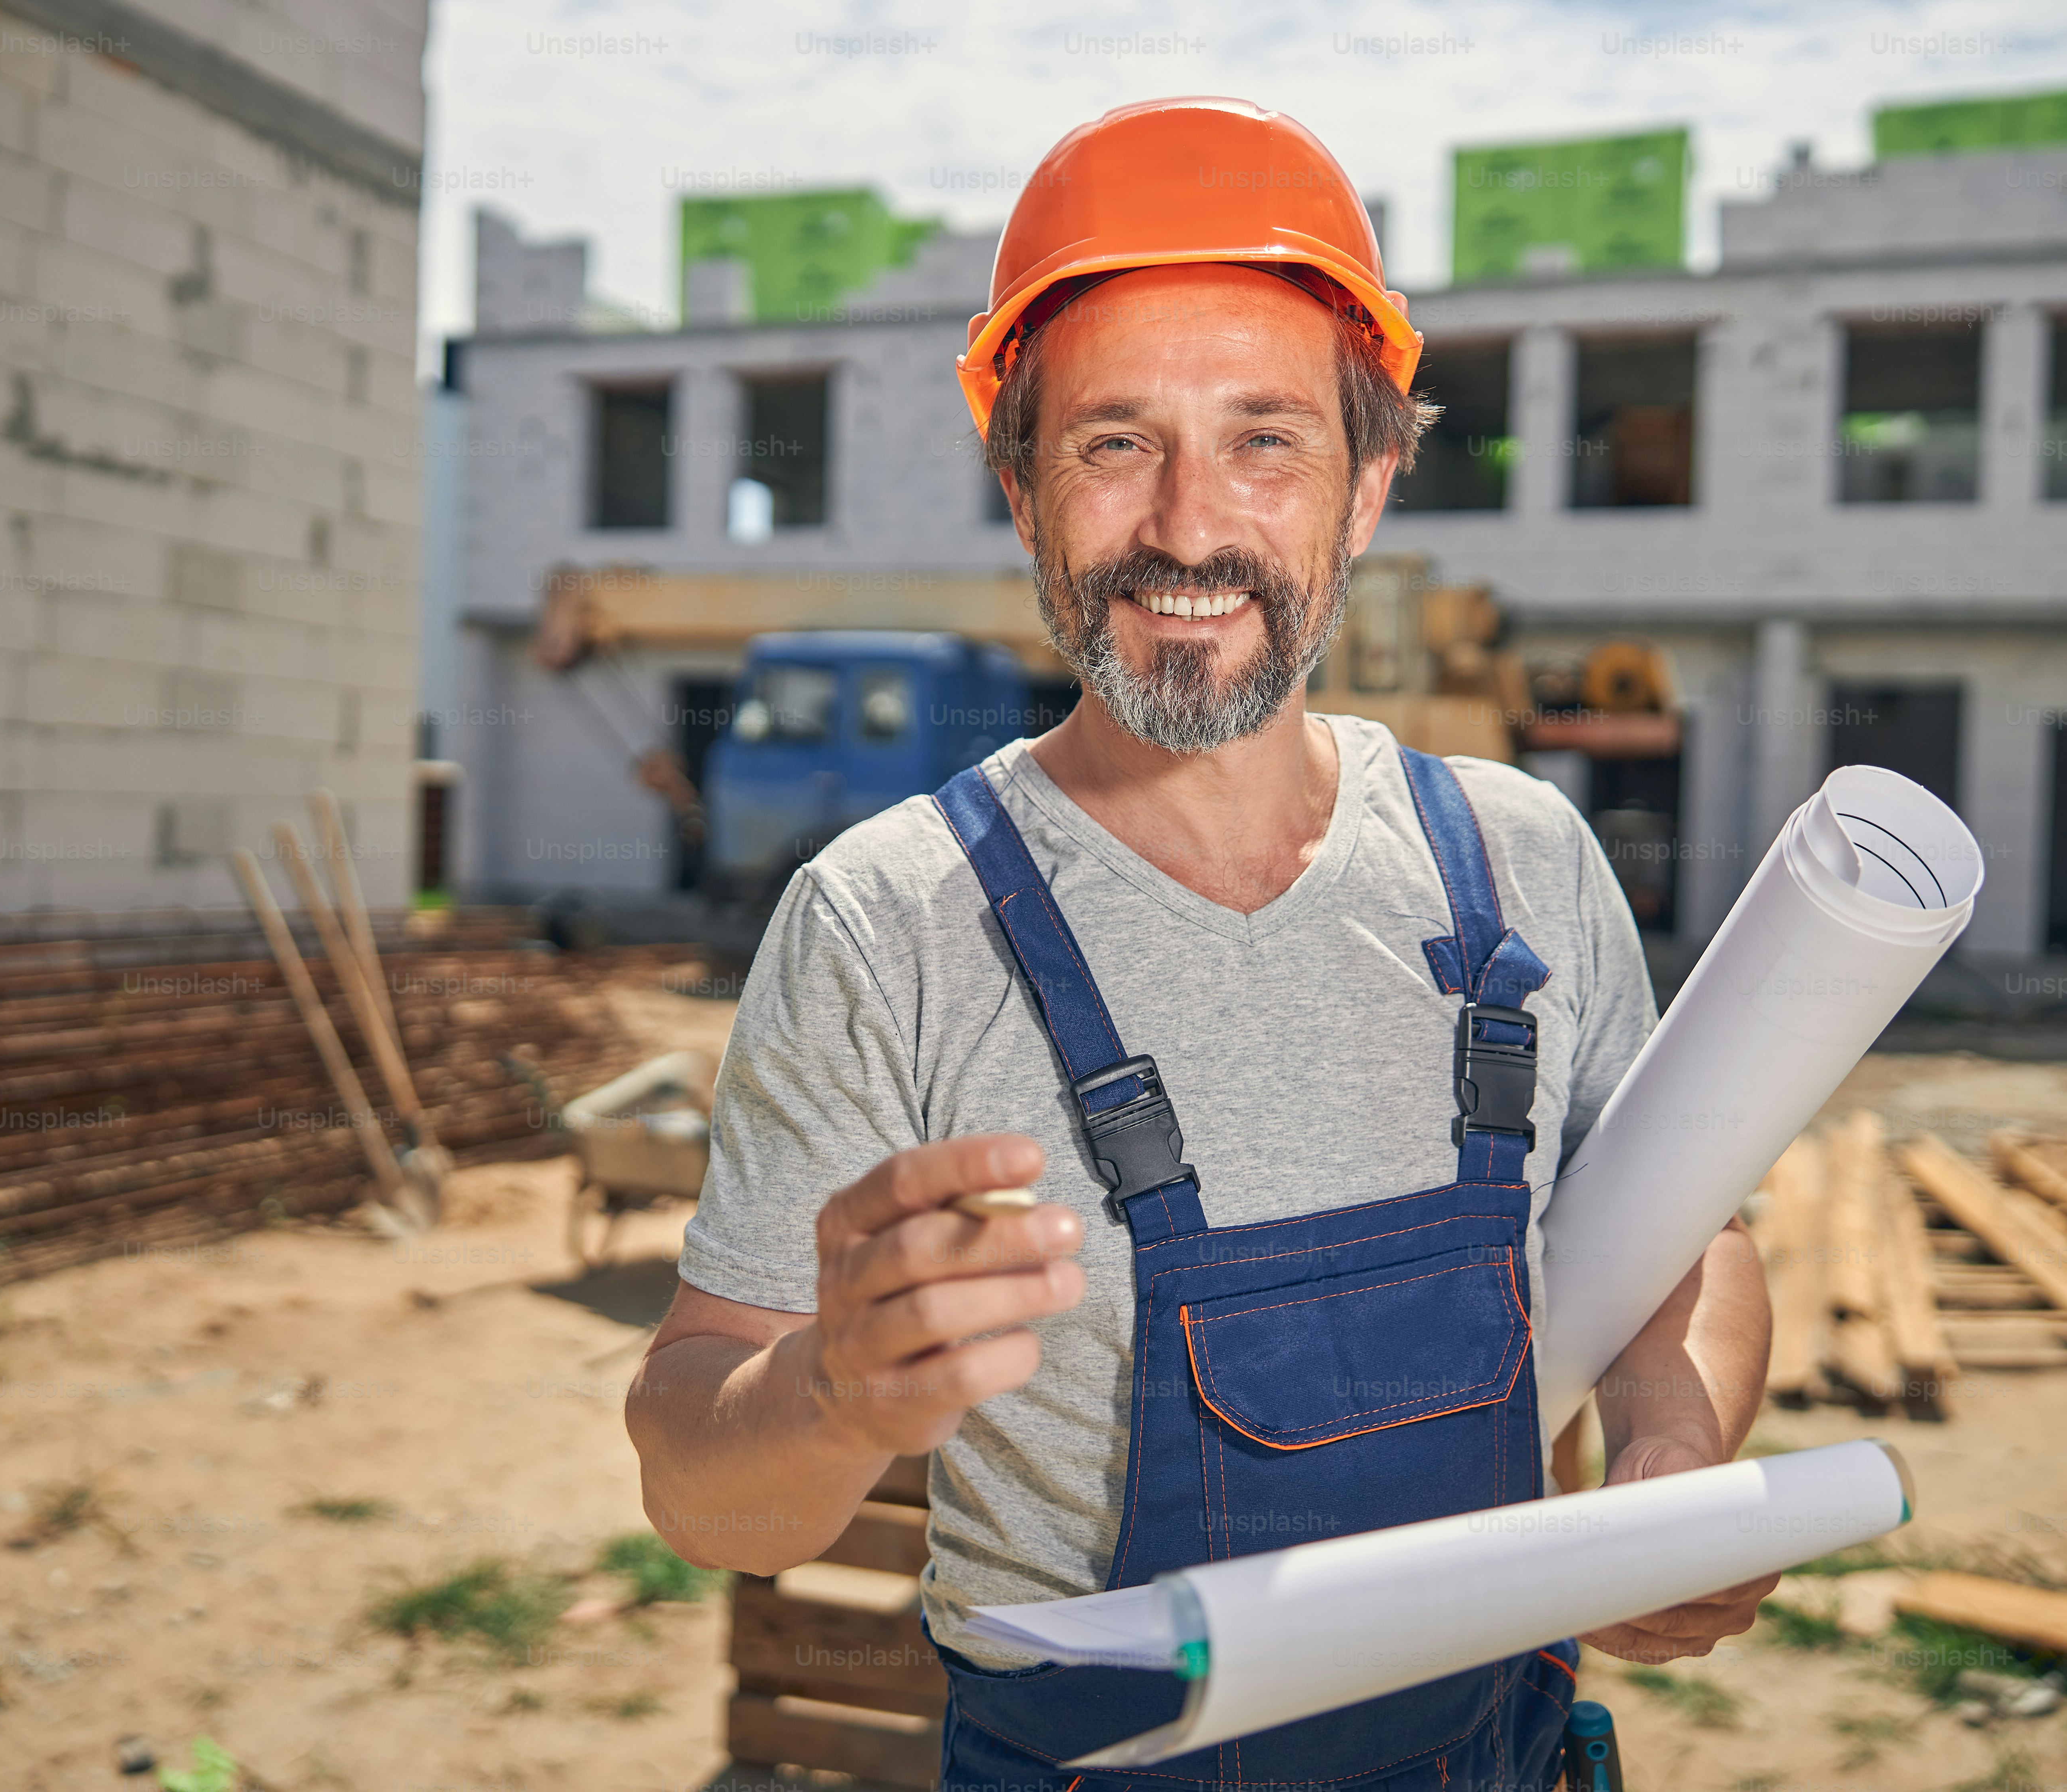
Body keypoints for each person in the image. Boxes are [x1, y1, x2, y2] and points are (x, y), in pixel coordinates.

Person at [626, 97, 1774, 1792]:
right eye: (1111, 442)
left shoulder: (1523, 862)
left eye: (1264, 440)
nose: (1185, 524)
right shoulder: (889, 922)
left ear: (1368, 484)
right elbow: (705, 1493)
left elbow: (1692, 1234)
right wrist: (832, 1396)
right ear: (1020, 484)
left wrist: (1680, 1439)